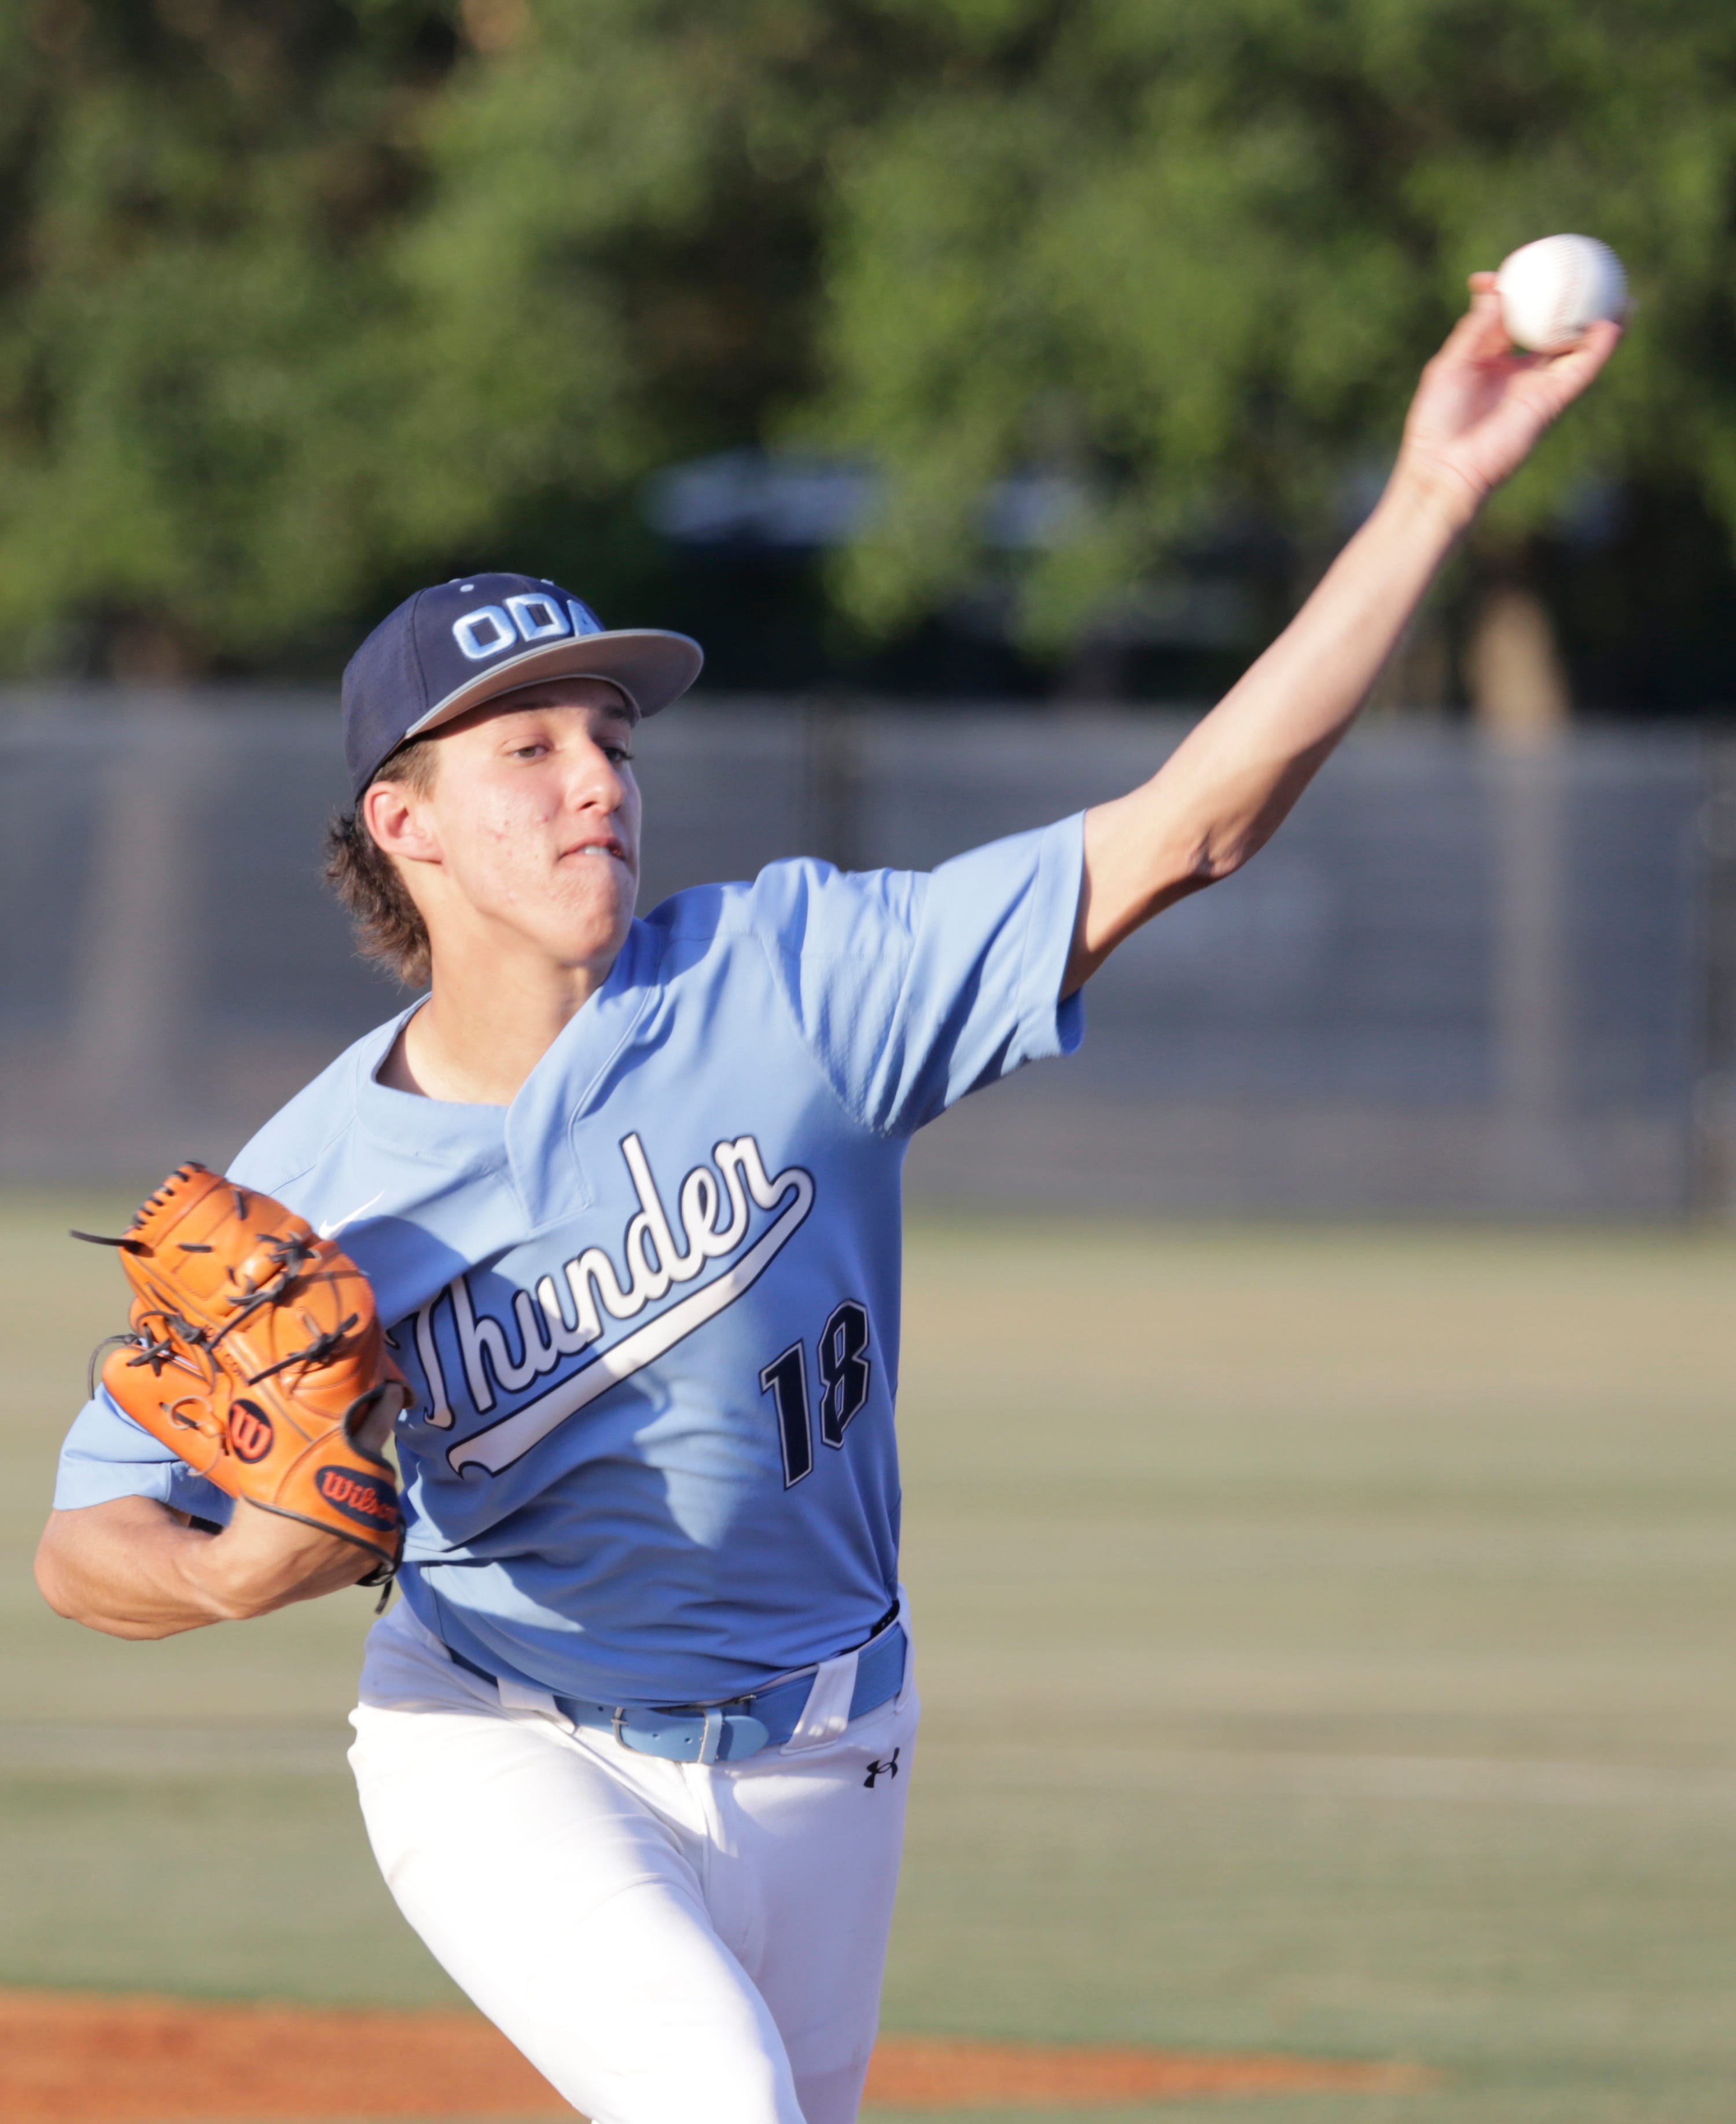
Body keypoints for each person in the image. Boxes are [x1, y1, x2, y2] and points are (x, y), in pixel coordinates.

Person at [34, 281, 1615, 2124]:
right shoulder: (309, 1196)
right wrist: (229, 1573)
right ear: (409, 825)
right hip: (501, 1746)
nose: (594, 782)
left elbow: (1190, 827)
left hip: (836, 1752)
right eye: (527, 751)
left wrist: (1430, 488)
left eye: (609, 741)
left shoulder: (797, 980)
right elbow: (83, 1540)